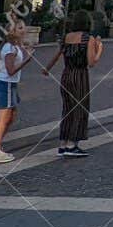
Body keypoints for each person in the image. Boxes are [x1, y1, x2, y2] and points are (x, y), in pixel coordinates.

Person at [46, 9, 102, 157]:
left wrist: (46, 69)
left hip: (66, 74)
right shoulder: (87, 39)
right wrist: (99, 49)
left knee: (67, 109)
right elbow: (91, 62)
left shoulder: (66, 37)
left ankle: (63, 144)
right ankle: (72, 144)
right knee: (79, 109)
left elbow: (57, 56)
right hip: (80, 75)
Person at [0, 21, 36, 163]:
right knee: (4, 119)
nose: (23, 30)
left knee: (11, 117)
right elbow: (10, 70)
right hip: (4, 84)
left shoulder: (14, 46)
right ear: (11, 32)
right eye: (20, 28)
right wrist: (27, 60)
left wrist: (25, 47)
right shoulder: (9, 48)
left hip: (10, 84)